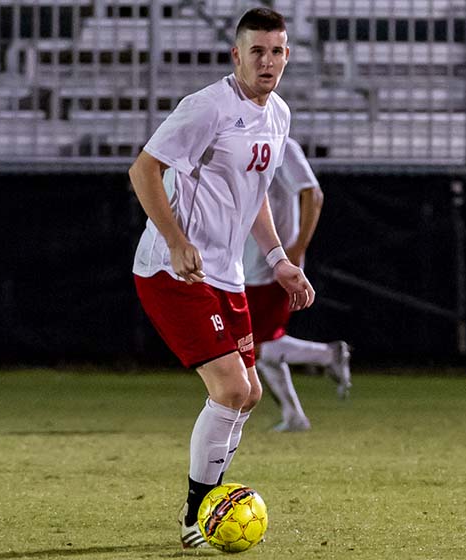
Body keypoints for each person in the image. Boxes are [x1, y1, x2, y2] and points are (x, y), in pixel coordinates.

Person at [127, 7, 314, 550]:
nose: (268, 61)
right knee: (232, 388)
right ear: (237, 55)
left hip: (226, 275)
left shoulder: (278, 115)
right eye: (257, 50)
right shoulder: (207, 107)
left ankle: (207, 503)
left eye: (277, 50)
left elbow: (252, 196)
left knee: (251, 393)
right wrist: (177, 240)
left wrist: (278, 259)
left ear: (287, 56)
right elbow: (144, 170)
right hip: (173, 270)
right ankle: (196, 515)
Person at [243, 137, 352, 432]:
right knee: (258, 344)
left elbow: (313, 194)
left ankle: (329, 354)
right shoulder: (238, 141)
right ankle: (294, 416)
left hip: (271, 267)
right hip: (248, 264)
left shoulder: (281, 144)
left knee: (253, 345)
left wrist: (297, 248)